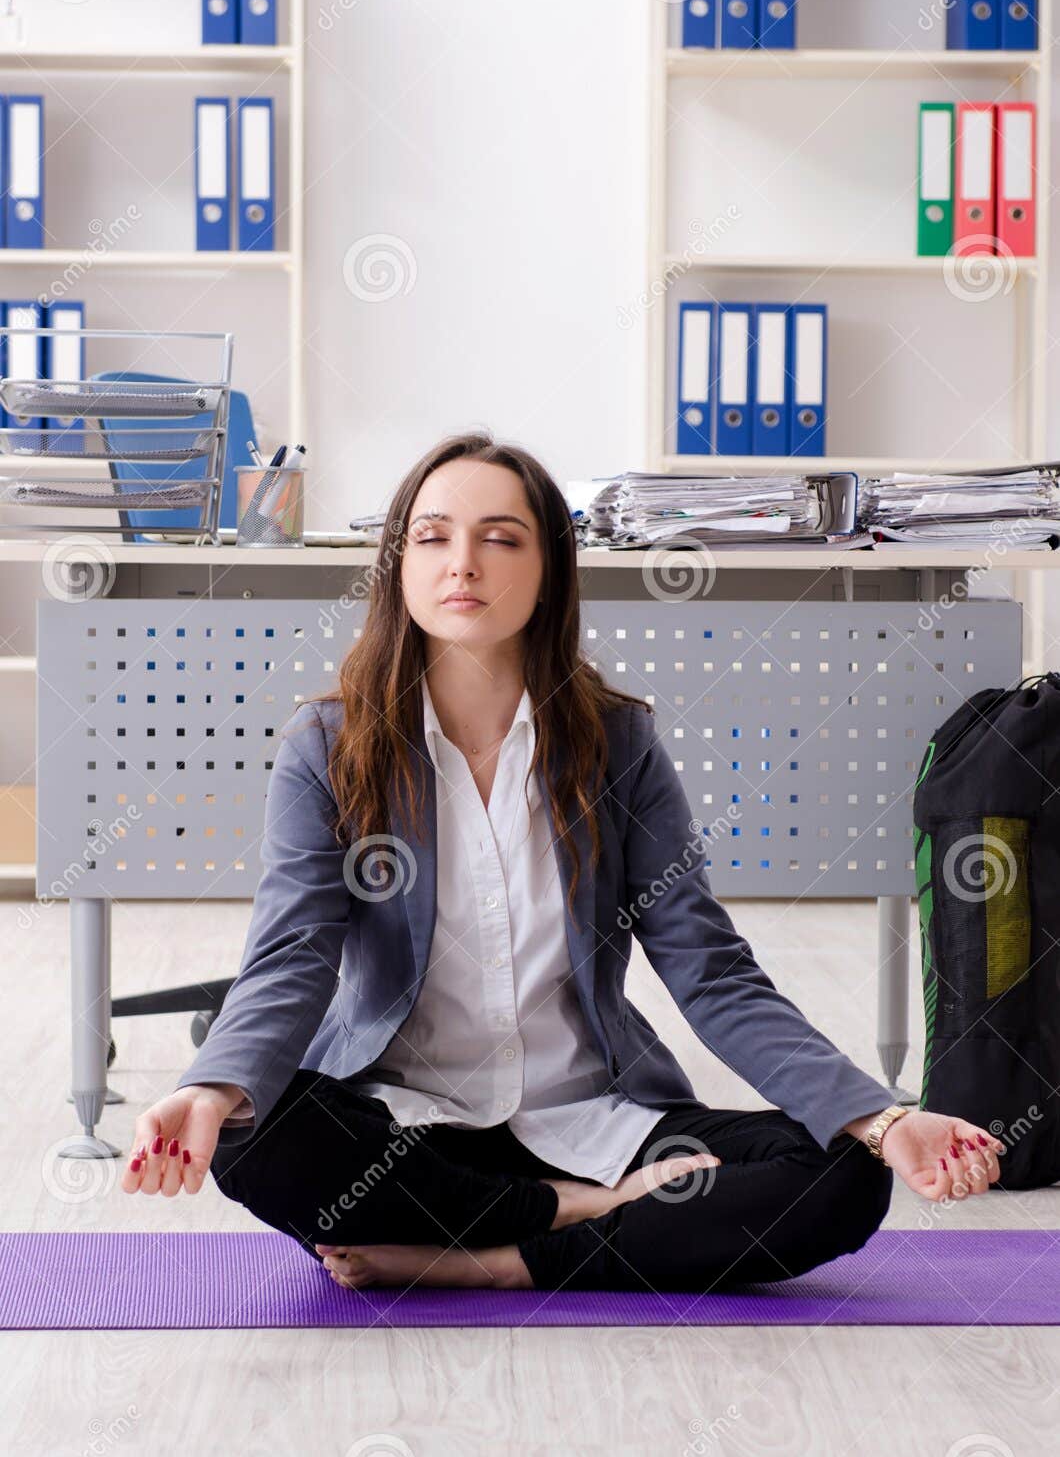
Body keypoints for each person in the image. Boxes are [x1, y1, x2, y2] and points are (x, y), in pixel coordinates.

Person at [122, 432, 1004, 1293]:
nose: (461, 563)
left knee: (841, 1174)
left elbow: (711, 972)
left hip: (591, 1117)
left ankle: (493, 1258)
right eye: (431, 538)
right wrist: (210, 1089)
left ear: (549, 572)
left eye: (499, 539)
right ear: (398, 565)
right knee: (255, 1132)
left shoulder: (618, 743)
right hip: (404, 1121)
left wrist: (881, 1121)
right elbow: (295, 954)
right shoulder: (329, 746)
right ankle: (577, 1214)